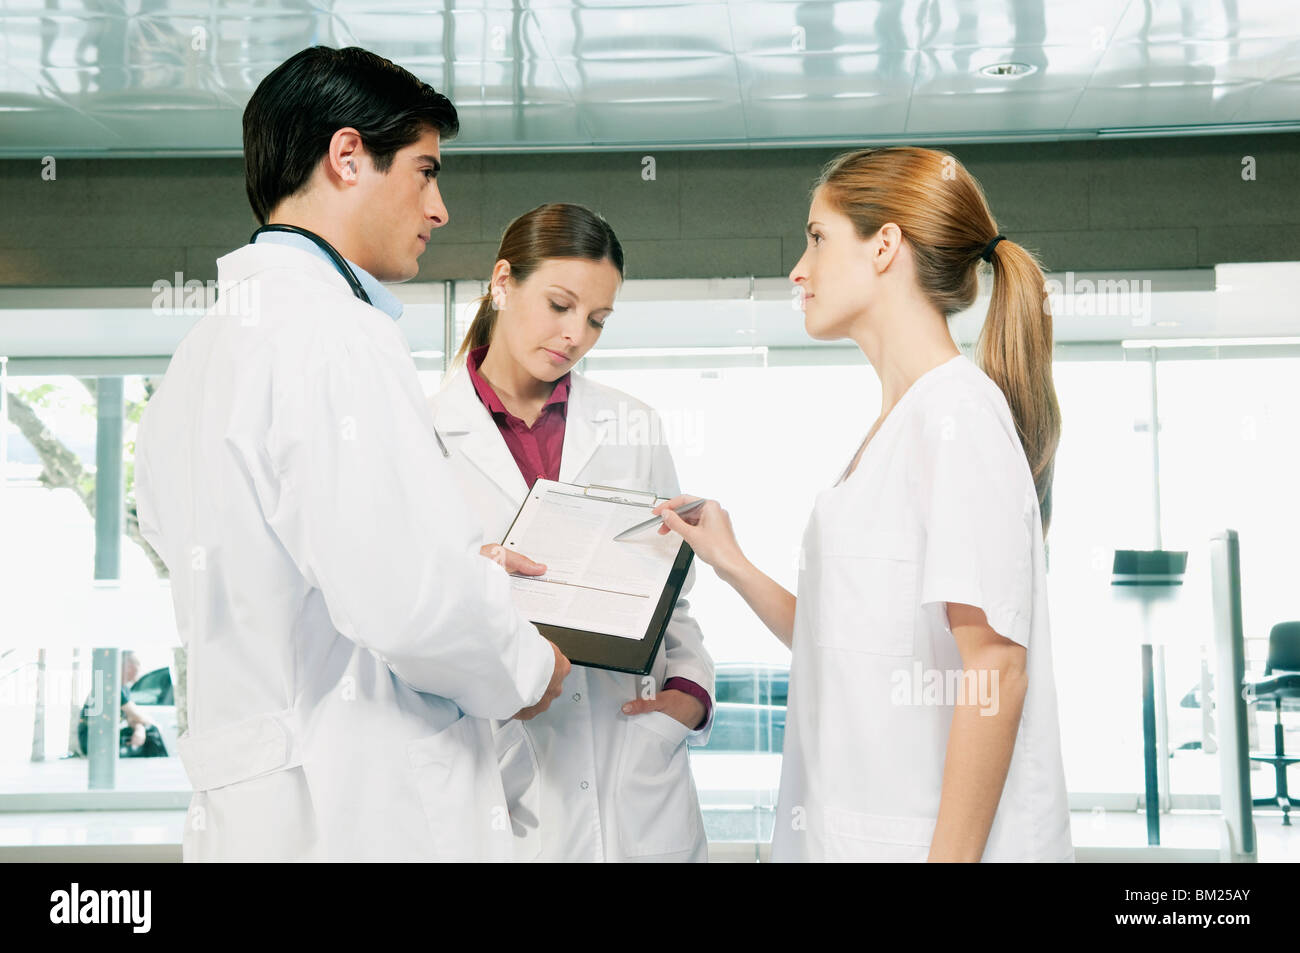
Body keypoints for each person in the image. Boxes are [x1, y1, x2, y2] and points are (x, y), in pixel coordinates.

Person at [134, 45, 569, 862]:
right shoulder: (333, 336)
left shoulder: (202, 351)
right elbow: (407, 602)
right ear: (346, 157)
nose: (438, 209)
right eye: (425, 171)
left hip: (259, 803)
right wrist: (527, 663)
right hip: (359, 808)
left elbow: (259, 559)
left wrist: (459, 564)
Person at [654, 147, 1073, 862]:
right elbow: (847, 642)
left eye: (817, 237)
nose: (799, 268)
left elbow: (995, 667)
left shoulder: (957, 417)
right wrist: (733, 563)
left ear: (885, 246)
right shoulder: (902, 424)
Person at [429, 203, 714, 862]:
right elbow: (411, 623)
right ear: (503, 281)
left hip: (633, 768)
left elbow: (672, 599)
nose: (575, 335)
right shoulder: (424, 436)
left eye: (596, 320)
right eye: (559, 305)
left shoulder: (632, 424)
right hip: (502, 770)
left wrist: (690, 696)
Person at [76, 651, 165, 758]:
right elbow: (137, 715)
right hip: (94, 740)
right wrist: (153, 724)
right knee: (152, 731)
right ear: (127, 666)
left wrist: (139, 729)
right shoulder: (112, 685)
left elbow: (133, 719)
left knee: (148, 732)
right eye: (137, 664)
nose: (139, 668)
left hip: (106, 736)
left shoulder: (123, 688)